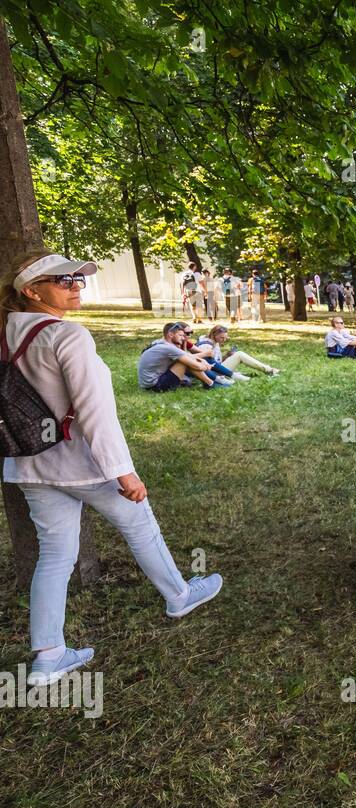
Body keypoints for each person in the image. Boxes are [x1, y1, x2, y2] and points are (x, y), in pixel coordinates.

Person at [3, 251, 222, 685]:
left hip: (28, 462)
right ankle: (178, 595)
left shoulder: (6, 331)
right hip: (84, 464)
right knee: (140, 525)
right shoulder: (68, 336)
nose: (75, 286)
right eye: (63, 280)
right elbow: (95, 411)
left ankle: (48, 653)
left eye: (77, 279)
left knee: (54, 555)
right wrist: (123, 471)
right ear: (32, 291)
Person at [137, 321, 223, 390]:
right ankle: (211, 383)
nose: (183, 338)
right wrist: (205, 366)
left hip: (147, 383)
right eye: (180, 335)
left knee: (185, 359)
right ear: (170, 335)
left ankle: (210, 382)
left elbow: (187, 355)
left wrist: (203, 360)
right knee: (184, 362)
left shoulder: (161, 342)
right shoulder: (169, 348)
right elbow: (197, 366)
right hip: (155, 385)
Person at [197, 325, 280, 379]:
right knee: (239, 354)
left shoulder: (215, 342)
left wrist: (227, 356)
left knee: (238, 354)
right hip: (214, 372)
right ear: (214, 334)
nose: (224, 340)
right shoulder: (206, 345)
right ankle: (269, 370)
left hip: (217, 369)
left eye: (226, 338)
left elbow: (216, 361)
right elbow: (208, 364)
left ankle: (269, 369)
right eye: (222, 338)